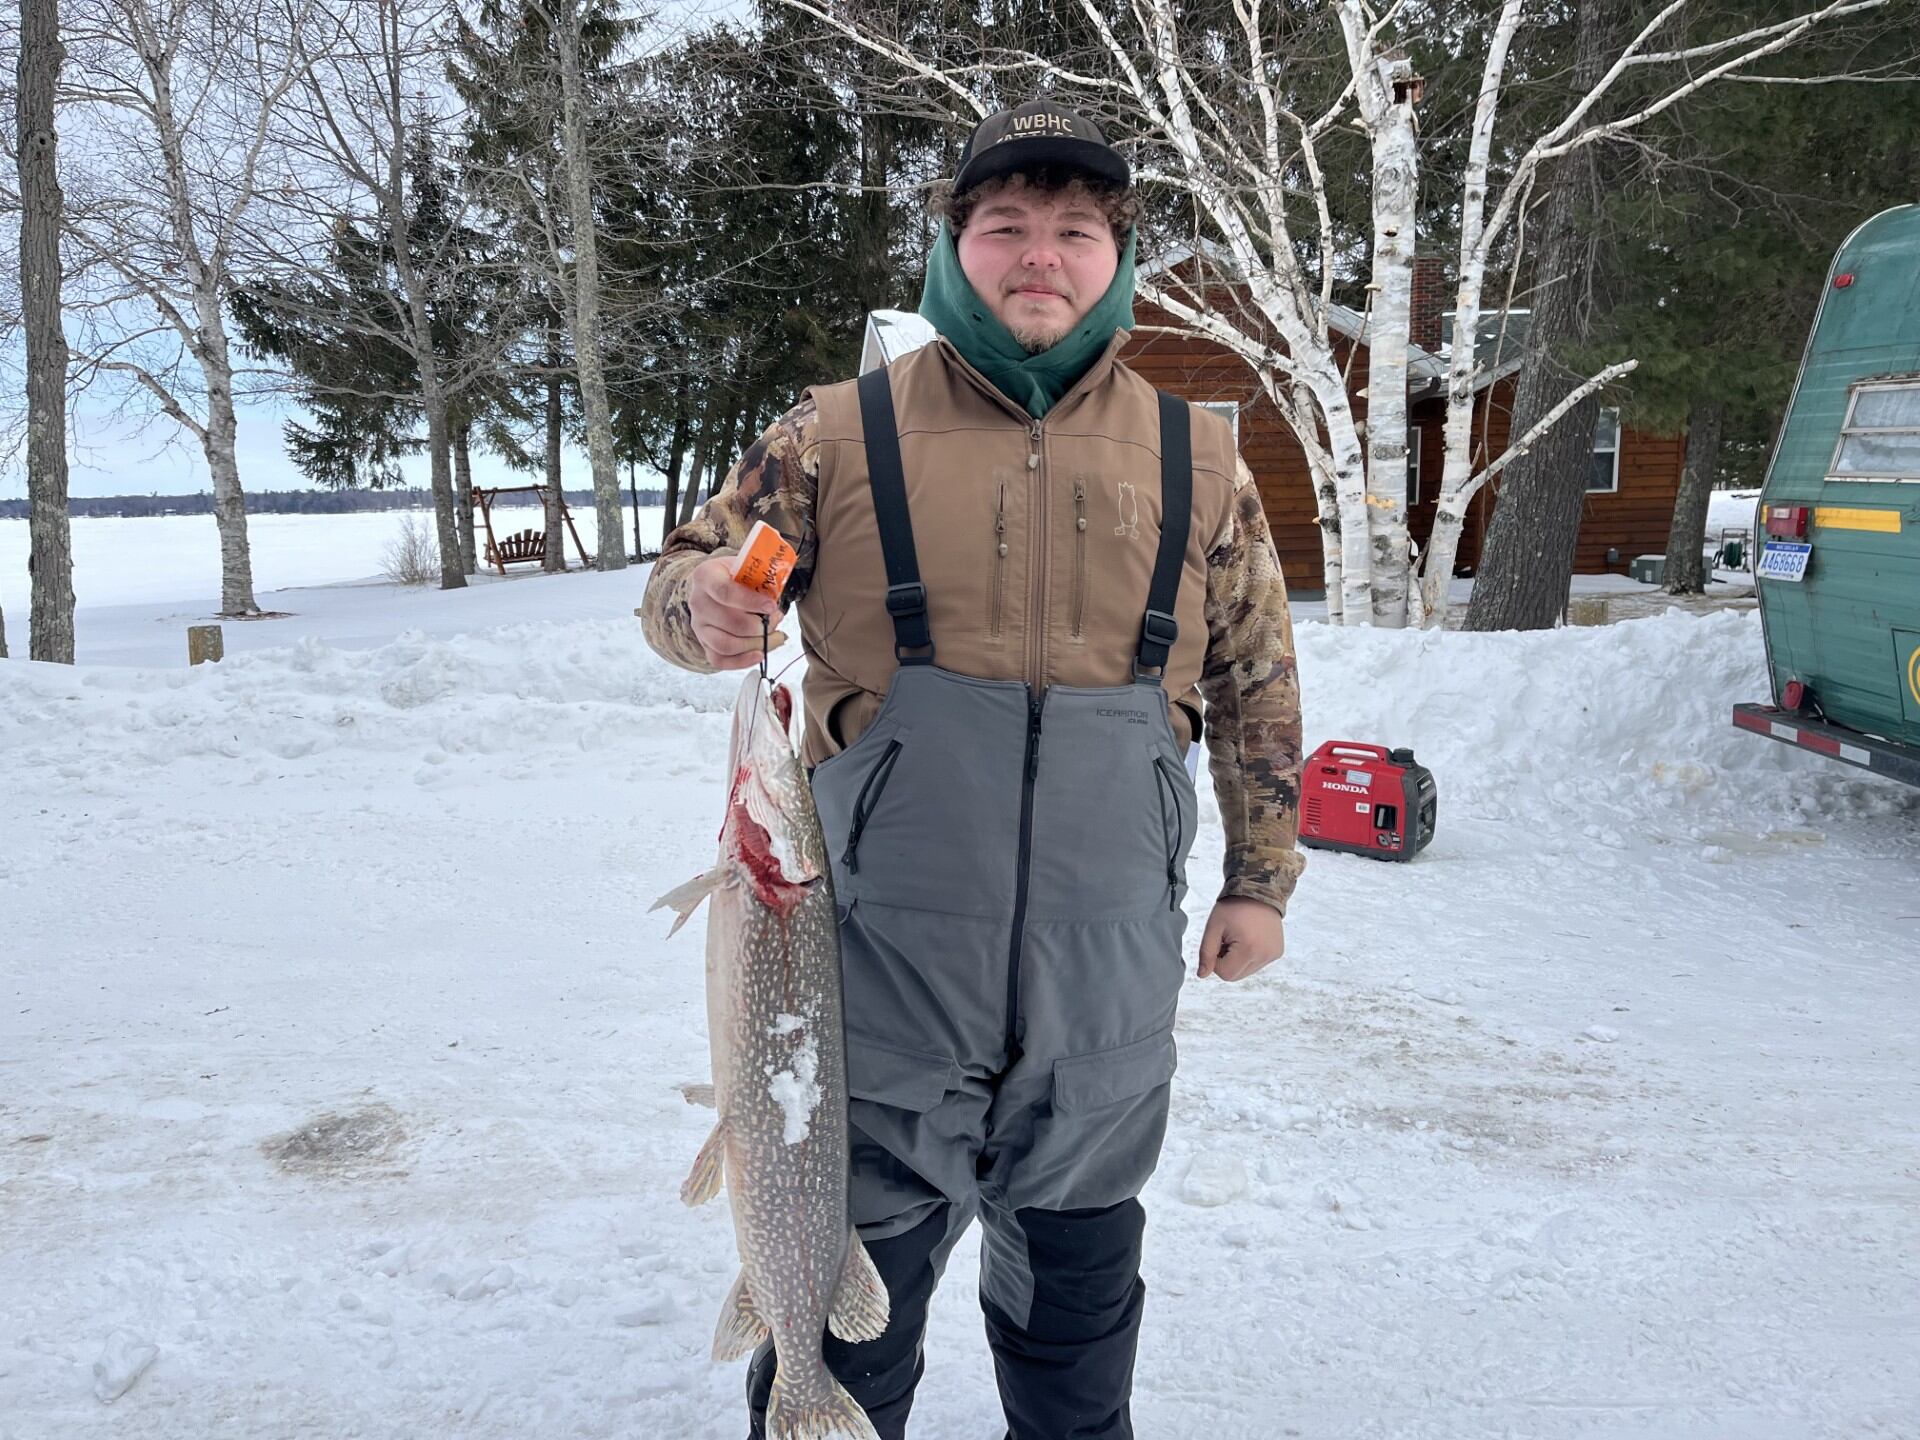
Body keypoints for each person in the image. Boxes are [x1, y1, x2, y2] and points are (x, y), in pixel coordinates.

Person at [639, 98, 1303, 1440]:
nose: (1039, 256)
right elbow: (677, 587)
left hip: (1104, 970)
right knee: (843, 1315)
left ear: (1117, 255)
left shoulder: (1201, 458)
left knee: (1076, 1315)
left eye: (1073, 229)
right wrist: (700, 601)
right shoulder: (835, 433)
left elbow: (1256, 685)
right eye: (1006, 226)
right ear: (957, 246)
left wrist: (1263, 881)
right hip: (878, 972)